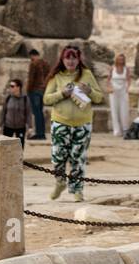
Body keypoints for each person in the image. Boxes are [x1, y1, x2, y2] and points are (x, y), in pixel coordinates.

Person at [43, 45, 105, 201]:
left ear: (78, 60)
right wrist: (62, 93)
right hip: (60, 122)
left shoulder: (87, 74)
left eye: (73, 58)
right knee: (58, 156)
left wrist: (89, 91)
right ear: (62, 59)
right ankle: (60, 182)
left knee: (78, 157)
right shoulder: (56, 76)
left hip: (82, 124)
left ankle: (77, 190)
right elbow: (46, 99)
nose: (70, 61)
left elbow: (99, 98)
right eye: (67, 58)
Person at [0, 78, 32, 150]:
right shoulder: (8, 98)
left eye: (12, 86)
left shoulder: (25, 99)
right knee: (5, 147)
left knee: (20, 147)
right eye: (10, 86)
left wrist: (30, 127)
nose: (10, 88)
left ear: (18, 87)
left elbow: (28, 114)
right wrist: (0, 125)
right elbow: (3, 112)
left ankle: (19, 160)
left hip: (20, 127)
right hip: (8, 126)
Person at [25, 48, 50, 141]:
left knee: (37, 113)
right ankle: (42, 133)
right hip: (42, 91)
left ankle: (39, 134)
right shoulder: (46, 63)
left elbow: (31, 79)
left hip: (34, 90)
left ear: (32, 55)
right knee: (40, 112)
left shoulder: (33, 64)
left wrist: (27, 90)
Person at [106, 53, 132, 138]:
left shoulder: (126, 69)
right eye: (120, 59)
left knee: (124, 110)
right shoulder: (112, 68)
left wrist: (128, 88)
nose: (121, 61)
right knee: (114, 110)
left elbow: (128, 80)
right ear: (117, 60)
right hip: (114, 92)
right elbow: (108, 80)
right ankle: (117, 130)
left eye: (122, 59)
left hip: (123, 91)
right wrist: (109, 88)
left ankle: (125, 129)